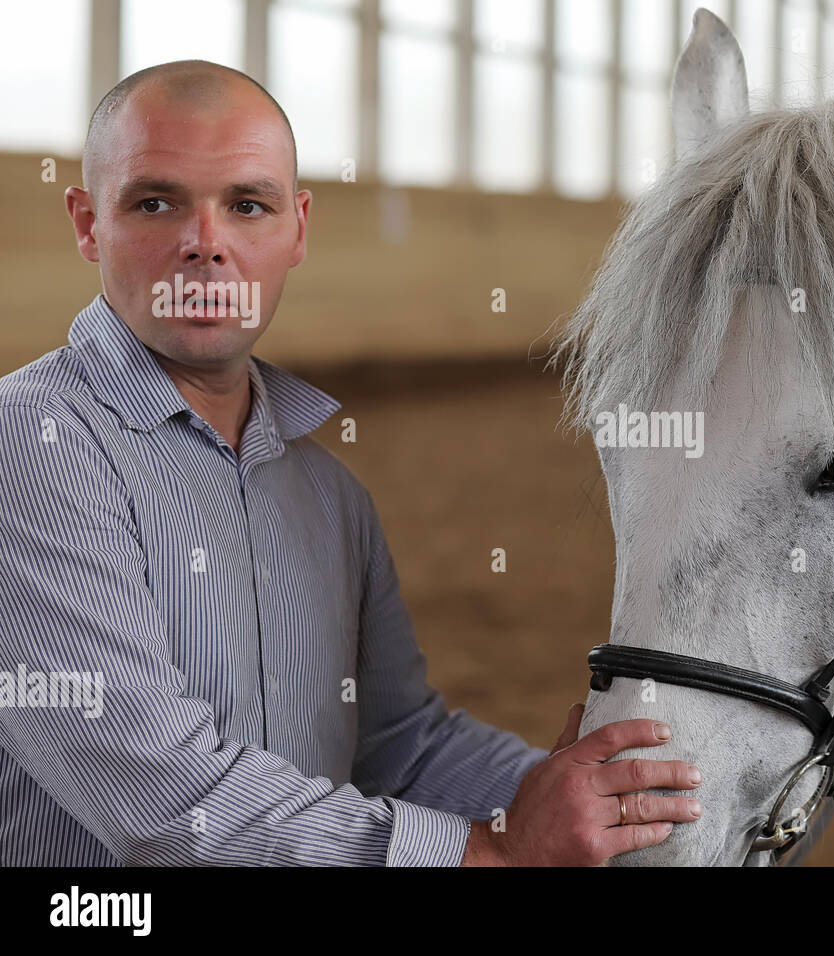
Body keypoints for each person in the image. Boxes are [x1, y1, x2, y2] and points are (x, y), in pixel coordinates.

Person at [0, 60, 701, 866]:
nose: (206, 246)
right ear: (89, 224)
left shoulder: (328, 494)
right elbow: (165, 800)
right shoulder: (29, 448)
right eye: (155, 202)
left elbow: (399, 748)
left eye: (247, 206)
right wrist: (490, 854)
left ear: (296, 228)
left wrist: (605, 805)